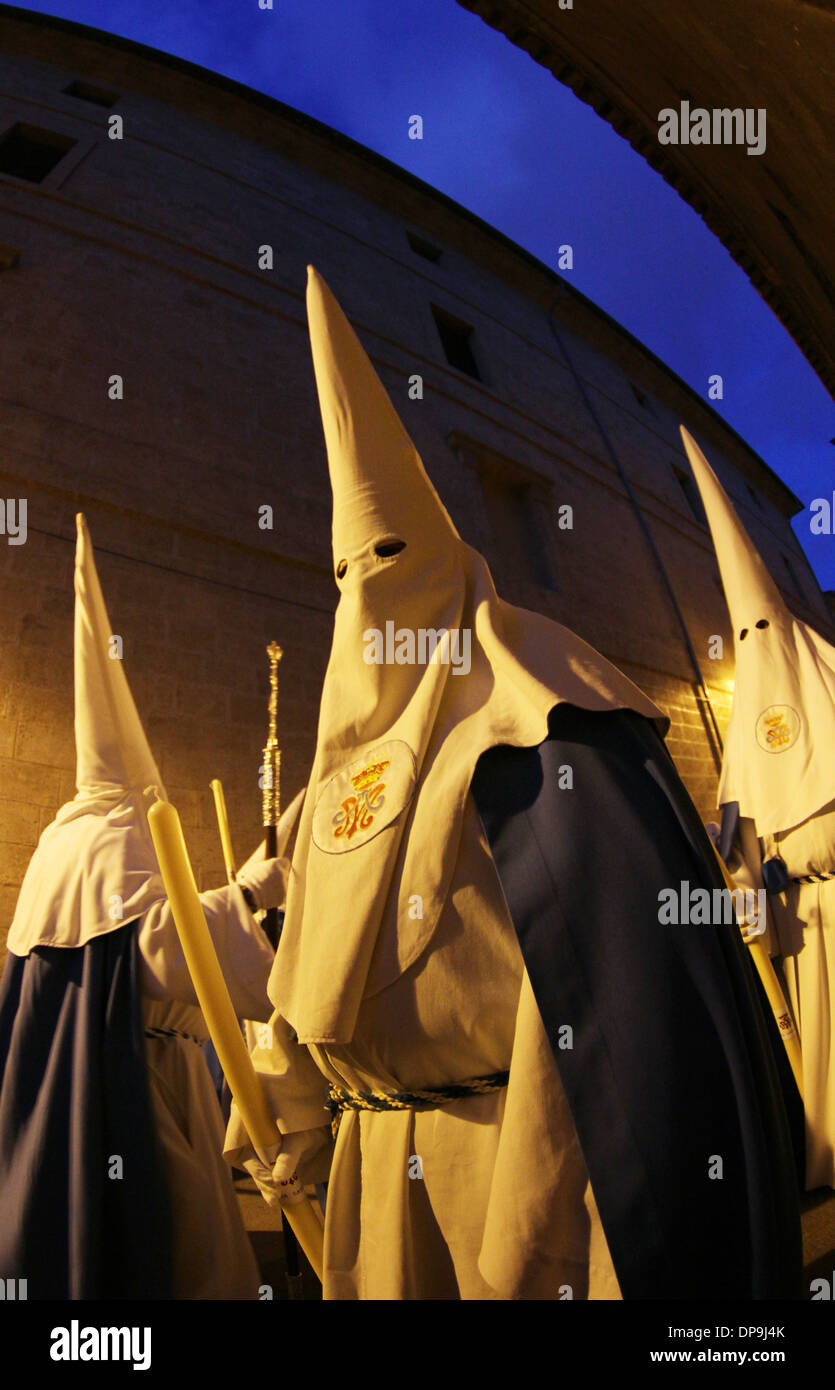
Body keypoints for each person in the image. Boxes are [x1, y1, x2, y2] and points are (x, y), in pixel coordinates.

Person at [225, 268, 802, 1300]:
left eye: (393, 558)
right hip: (373, 1185)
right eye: (351, 574)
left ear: (451, 566)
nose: (371, 591)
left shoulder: (538, 706)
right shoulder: (326, 793)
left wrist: (528, 1231)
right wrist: (290, 1116)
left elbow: (602, 991)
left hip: (507, 1181)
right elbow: (298, 984)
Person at [0, 514, 287, 1298]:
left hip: (112, 1068)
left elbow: (126, 940)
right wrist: (254, 896)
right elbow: (160, 956)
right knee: (184, 1251)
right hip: (143, 1079)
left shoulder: (66, 843)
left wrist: (235, 897)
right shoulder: (115, 828)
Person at [682, 426, 835, 1191]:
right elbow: (738, 857)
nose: (755, 641)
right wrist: (742, 899)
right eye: (746, 636)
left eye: (762, 628)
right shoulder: (744, 741)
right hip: (803, 933)